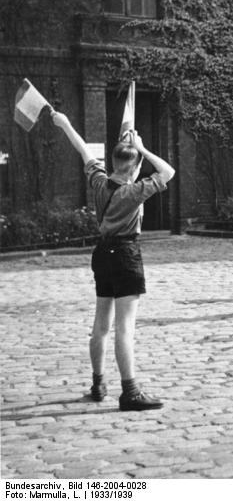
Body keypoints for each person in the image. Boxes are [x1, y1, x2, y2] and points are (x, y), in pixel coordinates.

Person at [50, 107, 175, 412]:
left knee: (101, 325)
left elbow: (81, 148)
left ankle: (97, 383)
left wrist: (64, 122)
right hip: (126, 255)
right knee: (125, 328)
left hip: (102, 254)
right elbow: (168, 172)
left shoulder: (98, 181)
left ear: (113, 163)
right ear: (133, 169)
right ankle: (130, 392)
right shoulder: (133, 192)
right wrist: (142, 147)